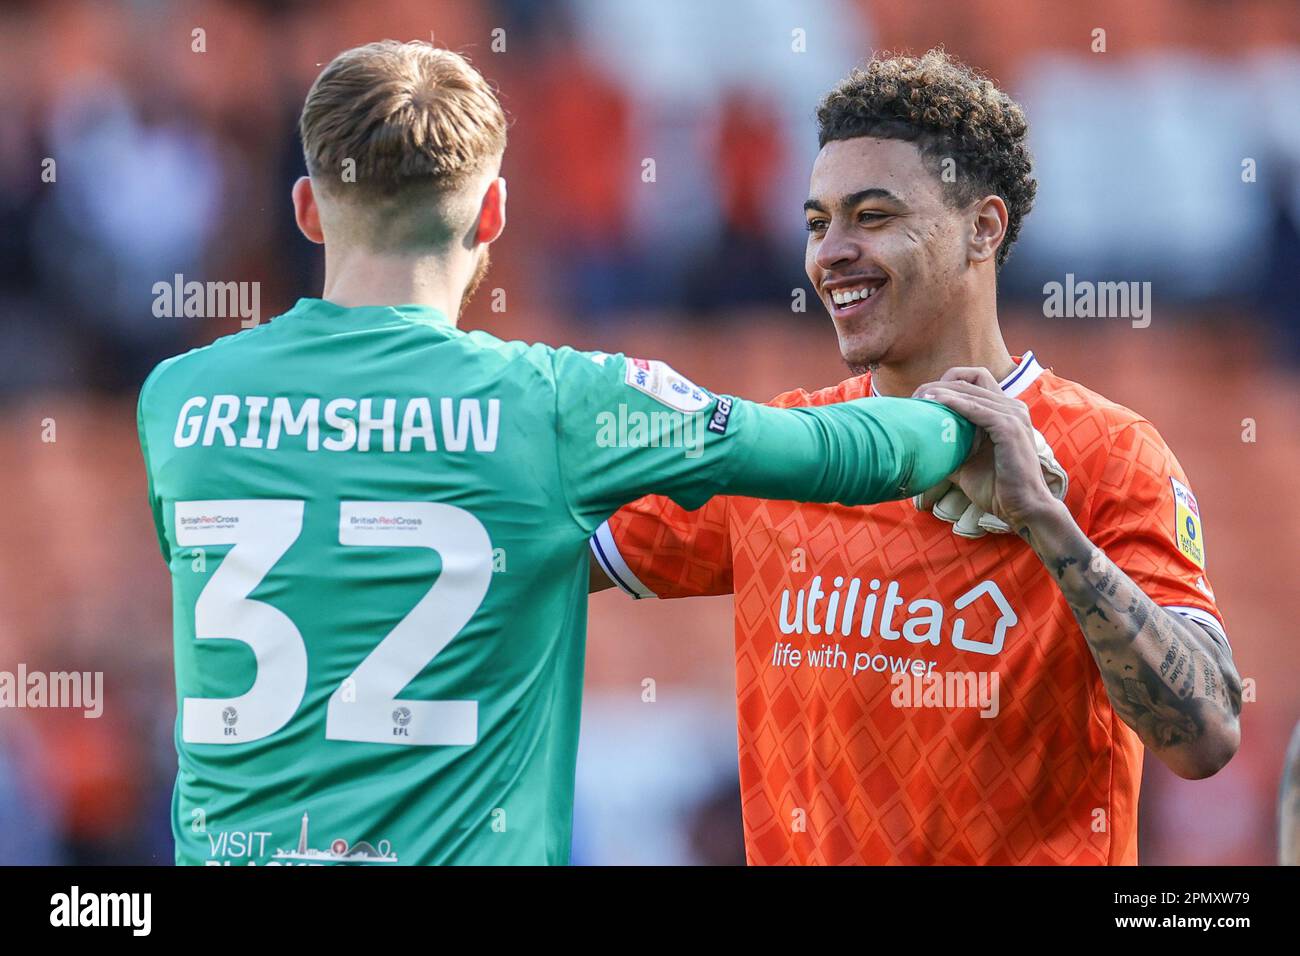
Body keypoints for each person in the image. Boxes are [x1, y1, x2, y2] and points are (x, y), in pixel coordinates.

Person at [135, 40, 980, 865]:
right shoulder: (556, 403)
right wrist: (972, 420)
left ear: (308, 209)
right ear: (493, 210)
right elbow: (841, 455)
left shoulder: (176, 398)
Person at [590, 49, 1242, 865]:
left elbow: (1207, 732)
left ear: (983, 228)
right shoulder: (784, 453)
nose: (830, 253)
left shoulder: (1109, 452)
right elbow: (537, 551)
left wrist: (1046, 523)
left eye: (872, 216)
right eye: (818, 221)